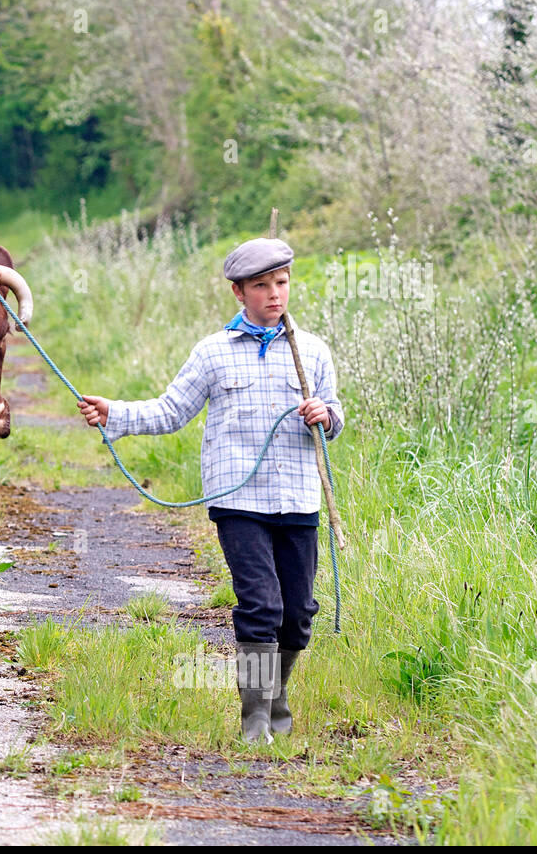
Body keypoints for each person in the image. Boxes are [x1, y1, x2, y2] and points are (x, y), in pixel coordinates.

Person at [78, 237, 345, 743]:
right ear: (237, 292)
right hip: (239, 501)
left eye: (282, 283)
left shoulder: (310, 351)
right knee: (261, 606)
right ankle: (256, 721)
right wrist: (115, 412)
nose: (274, 294)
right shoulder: (213, 353)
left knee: (298, 615)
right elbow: (170, 410)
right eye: (261, 285)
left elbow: (336, 415)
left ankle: (276, 696)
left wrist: (325, 416)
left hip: (299, 499)